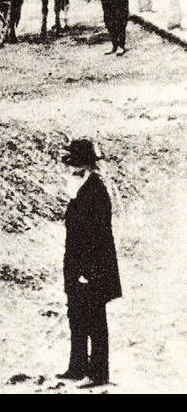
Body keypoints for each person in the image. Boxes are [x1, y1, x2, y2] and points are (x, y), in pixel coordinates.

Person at [58, 138, 121, 387]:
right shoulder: (83, 189)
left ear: (84, 166)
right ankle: (77, 367)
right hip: (78, 269)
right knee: (76, 315)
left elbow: (97, 236)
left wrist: (88, 271)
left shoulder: (95, 191)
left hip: (92, 270)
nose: (69, 169)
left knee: (95, 320)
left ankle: (98, 374)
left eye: (74, 164)